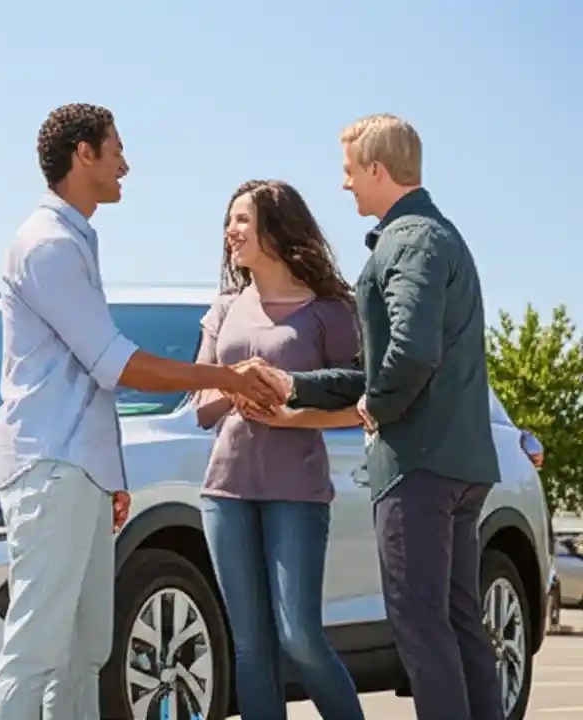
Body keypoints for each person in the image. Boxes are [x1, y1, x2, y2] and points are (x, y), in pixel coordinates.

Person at [0, 103, 286, 720]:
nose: (127, 163)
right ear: (83, 154)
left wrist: (110, 477)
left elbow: (86, 382)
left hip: (80, 472)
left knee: (85, 648)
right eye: (116, 148)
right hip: (49, 469)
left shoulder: (73, 240)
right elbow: (114, 363)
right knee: (38, 647)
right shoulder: (46, 245)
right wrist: (225, 376)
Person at [259, 114, 502, 720]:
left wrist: (376, 406)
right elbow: (380, 365)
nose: (344, 187)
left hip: (418, 465)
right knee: (457, 621)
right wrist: (294, 383)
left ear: (376, 169)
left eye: (348, 172)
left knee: (422, 624)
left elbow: (409, 357)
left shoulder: (409, 239)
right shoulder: (437, 235)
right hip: (458, 462)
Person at [193, 179, 367, 720]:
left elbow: (361, 400)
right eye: (229, 221)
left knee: (299, 637)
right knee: (249, 646)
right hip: (226, 490)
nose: (231, 232)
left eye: (242, 219)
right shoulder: (223, 308)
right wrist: (235, 386)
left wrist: (292, 414)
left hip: (298, 491)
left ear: (275, 226)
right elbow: (201, 405)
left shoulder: (331, 310)